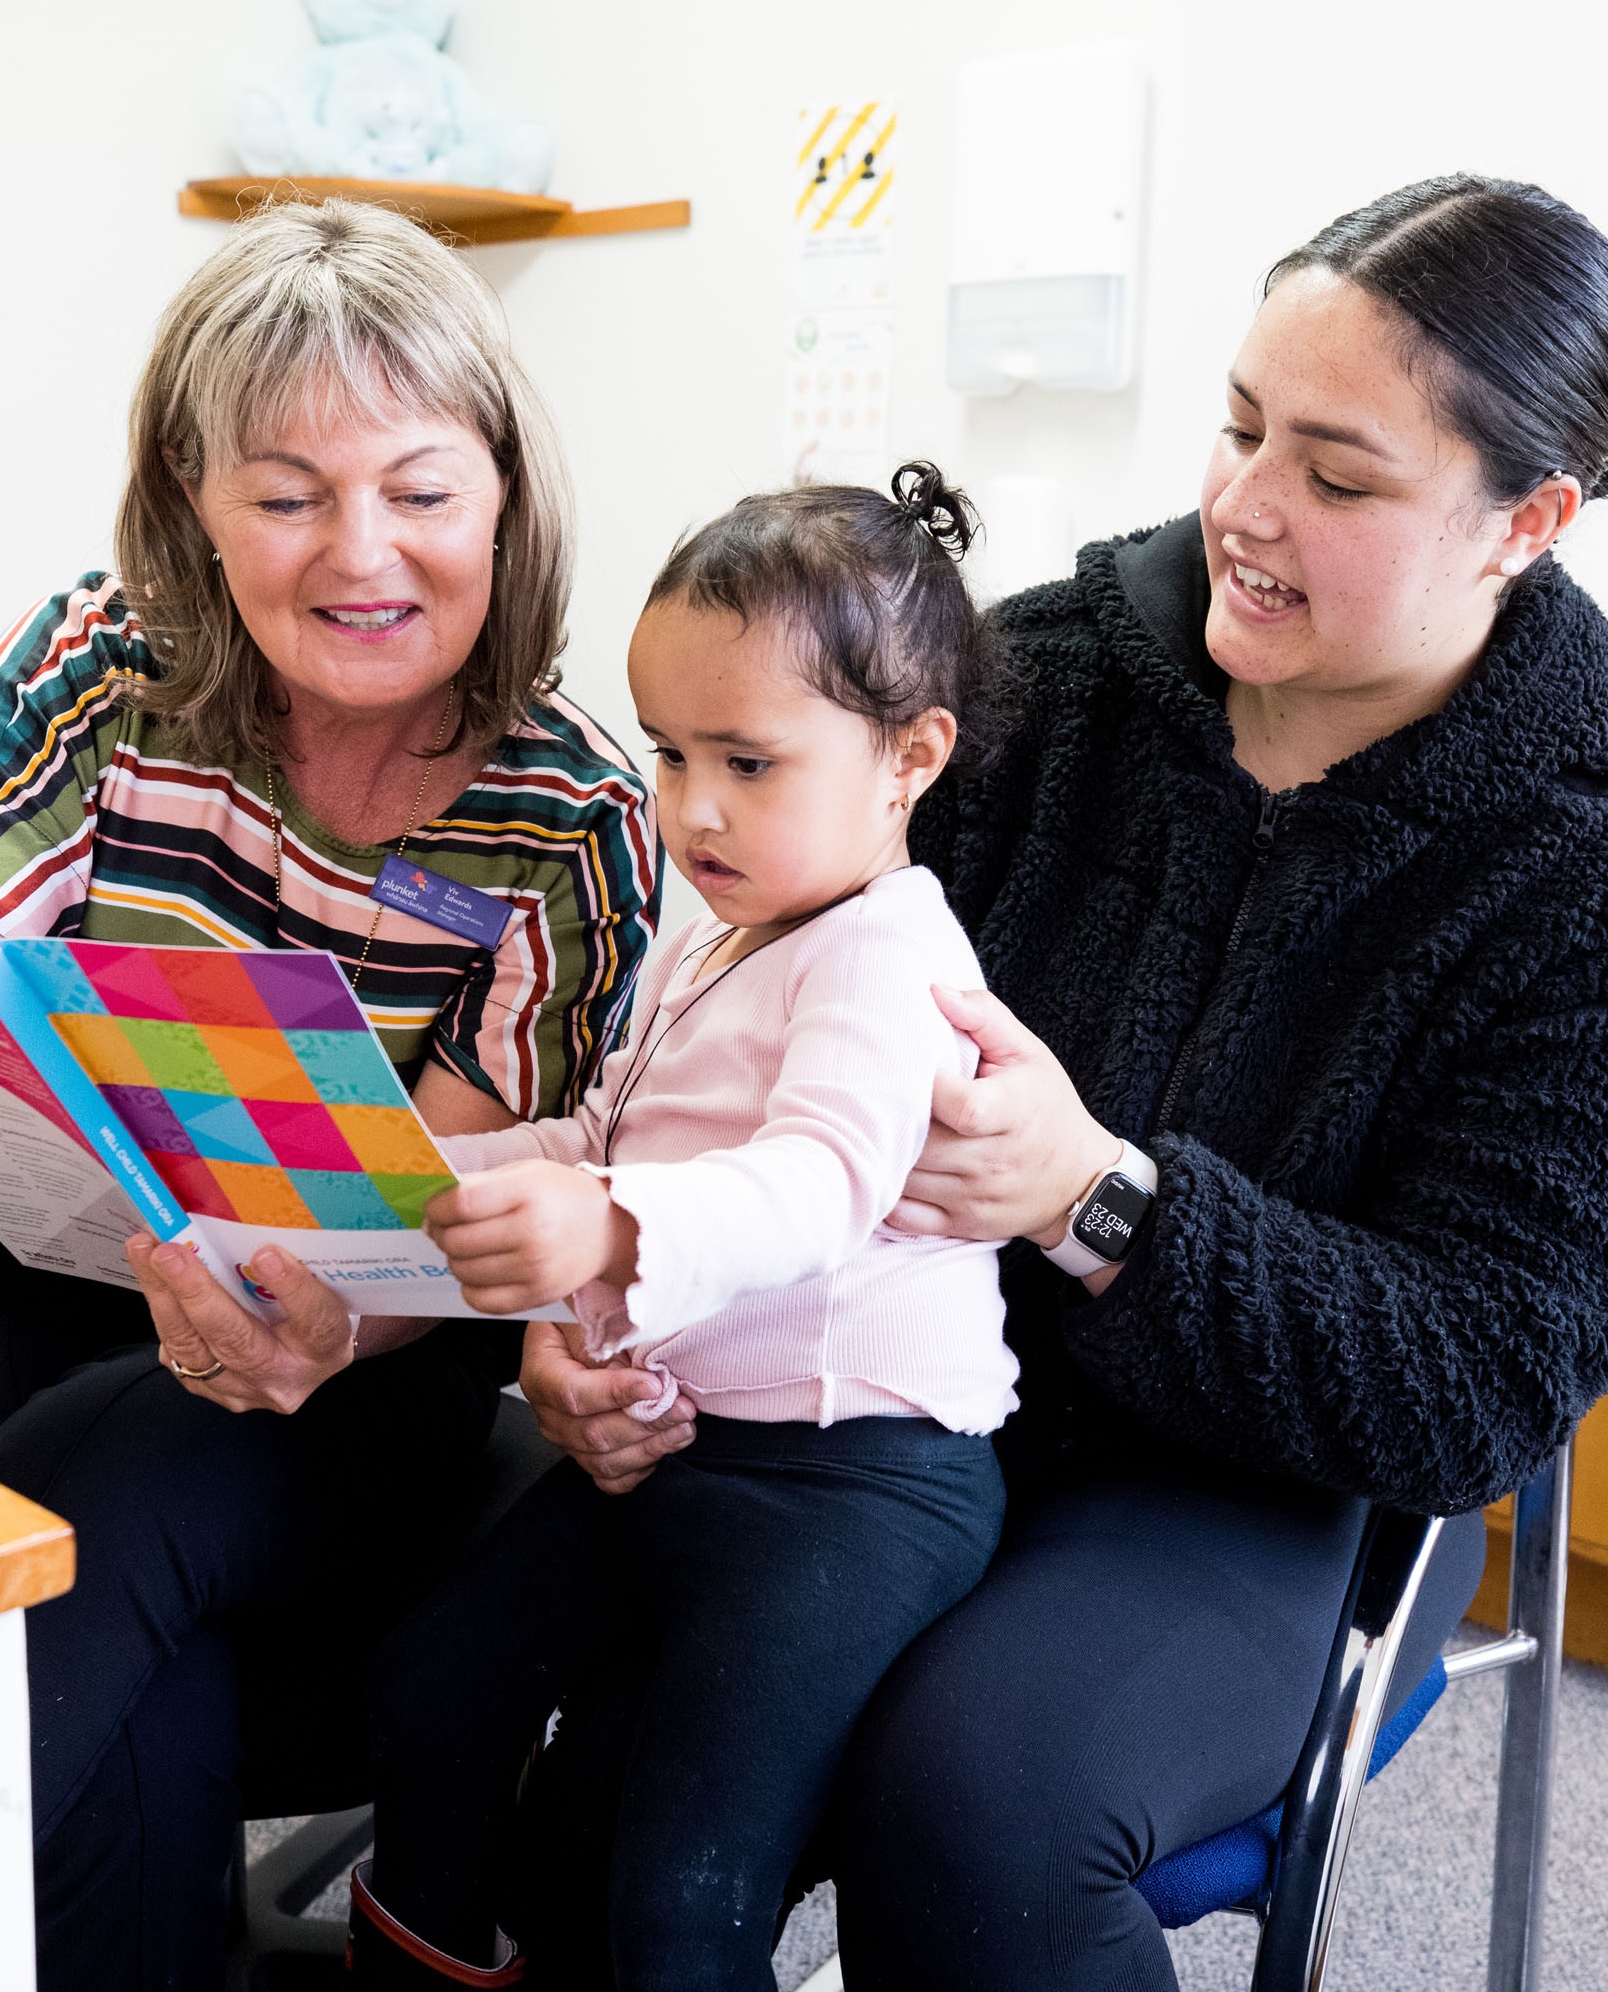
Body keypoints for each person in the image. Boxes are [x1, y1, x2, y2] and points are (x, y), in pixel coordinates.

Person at [518, 175, 1608, 1990]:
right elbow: (736, 1042)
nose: (1245, 507)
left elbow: (1482, 1381)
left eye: (1340, 476)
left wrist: (1099, 1202)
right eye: (1238, 430)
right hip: (869, 1395)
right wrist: (607, 1305)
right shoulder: (1028, 689)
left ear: (1527, 519)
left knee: (977, 1806)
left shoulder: (1599, 886)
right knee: (584, 1757)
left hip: (1245, 1474)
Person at [0, 199, 658, 1992]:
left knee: (84, 1542)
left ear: (507, 493)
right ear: (196, 502)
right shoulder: (91, 674)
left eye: (422, 492)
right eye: (287, 496)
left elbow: (446, 1220)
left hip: (342, 1355)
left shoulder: (573, 814)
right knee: (100, 1648)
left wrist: (318, 1331)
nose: (363, 554)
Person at [345, 467, 1020, 1991]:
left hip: (858, 1486)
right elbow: (611, 1131)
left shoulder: (888, 957)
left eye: (750, 762)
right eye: (667, 751)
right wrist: (405, 1175)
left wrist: (601, 1222)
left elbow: (817, 1184)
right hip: (679, 1443)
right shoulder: (717, 927)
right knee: (433, 1692)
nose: (693, 806)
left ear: (909, 758)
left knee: (684, 1890)